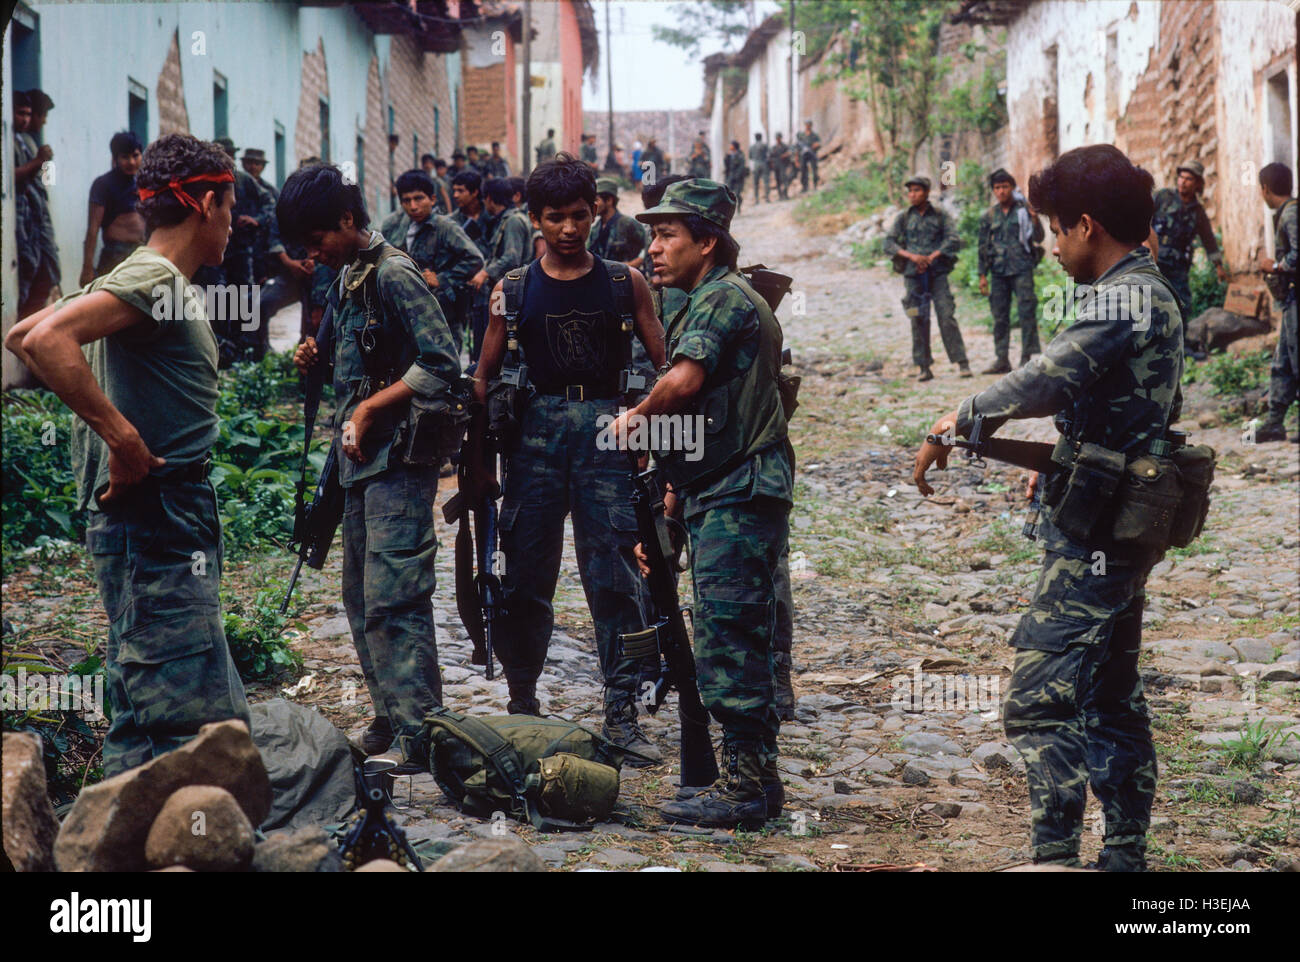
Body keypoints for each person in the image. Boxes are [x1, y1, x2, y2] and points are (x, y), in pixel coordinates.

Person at [913, 144, 1184, 872]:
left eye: (1057, 231)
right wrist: (1061, 455)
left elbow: (1047, 376)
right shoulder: (1142, 287)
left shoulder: (1125, 296)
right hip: (1112, 511)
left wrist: (957, 417)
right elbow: (1110, 401)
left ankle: (1055, 855)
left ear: (1088, 225)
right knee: (1109, 688)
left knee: (1039, 694)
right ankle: (1124, 850)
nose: (1051, 246)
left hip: (1105, 524)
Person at [4, 133, 250, 776]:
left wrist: (110, 419)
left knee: (149, 718)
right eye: (229, 205)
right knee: (194, 730)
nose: (233, 222)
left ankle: (118, 847)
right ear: (203, 202)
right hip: (158, 518)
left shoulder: (134, 276)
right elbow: (45, 340)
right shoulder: (153, 275)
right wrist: (123, 438)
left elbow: (22, 332)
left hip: (159, 521)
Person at [472, 154, 666, 760]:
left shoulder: (622, 282)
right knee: (525, 576)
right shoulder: (512, 289)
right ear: (535, 219)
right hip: (533, 438)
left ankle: (622, 709)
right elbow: (484, 373)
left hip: (608, 432)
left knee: (617, 577)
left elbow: (667, 367)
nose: (568, 229)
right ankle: (522, 699)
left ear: (595, 213)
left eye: (579, 216)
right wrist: (474, 457)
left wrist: (657, 442)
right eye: (555, 218)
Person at [617, 179, 792, 827]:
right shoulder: (700, 301)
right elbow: (704, 419)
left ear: (708, 242)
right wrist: (668, 512)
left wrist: (632, 419)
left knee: (730, 632)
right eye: (651, 236)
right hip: (718, 486)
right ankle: (756, 778)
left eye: (667, 236)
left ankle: (746, 787)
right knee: (730, 626)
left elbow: (685, 383)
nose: (653, 250)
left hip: (741, 491)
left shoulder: (722, 300)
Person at [281, 163, 461, 772]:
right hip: (358, 464)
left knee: (396, 597)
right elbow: (351, 357)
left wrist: (372, 406)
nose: (312, 255)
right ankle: (390, 714)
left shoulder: (394, 274)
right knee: (360, 596)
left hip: (399, 461)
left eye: (317, 242)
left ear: (349, 221)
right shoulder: (346, 279)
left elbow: (443, 363)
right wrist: (313, 354)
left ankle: (421, 732)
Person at [380, 169, 485, 357]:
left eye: (419, 199)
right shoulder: (392, 226)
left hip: (441, 315)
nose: (413, 206)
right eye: (406, 201)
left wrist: (442, 278)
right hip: (403, 315)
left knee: (443, 372)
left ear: (433, 199)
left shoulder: (445, 227)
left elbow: (474, 259)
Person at [882, 174, 970, 381]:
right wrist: (912, 256)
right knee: (917, 318)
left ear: (927, 192)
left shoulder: (940, 215)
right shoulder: (903, 218)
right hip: (913, 277)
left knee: (946, 315)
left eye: (917, 190)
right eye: (910, 191)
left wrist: (932, 257)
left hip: (937, 274)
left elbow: (953, 239)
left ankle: (962, 362)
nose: (912, 195)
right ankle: (924, 366)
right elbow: (888, 243)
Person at [977, 168, 1045, 373]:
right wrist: (982, 275)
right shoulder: (988, 216)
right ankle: (1002, 358)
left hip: (1022, 268)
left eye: (1005, 187)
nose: (1001, 191)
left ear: (1013, 188)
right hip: (998, 271)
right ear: (993, 191)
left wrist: (1034, 219)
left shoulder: (1024, 211)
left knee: (1026, 311)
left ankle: (1026, 357)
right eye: (997, 188)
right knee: (999, 315)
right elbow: (982, 247)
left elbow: (1039, 238)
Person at [1146, 160, 1228, 316]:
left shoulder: (1198, 212)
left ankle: (1180, 339)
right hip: (1154, 261)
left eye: (1188, 179)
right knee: (1150, 306)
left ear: (1197, 184)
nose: (1182, 182)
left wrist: (1218, 266)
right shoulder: (1163, 197)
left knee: (1181, 307)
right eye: (1181, 177)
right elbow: (1142, 219)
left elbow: (1208, 239)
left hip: (1178, 267)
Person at [1256, 162, 1298, 443]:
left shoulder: (1291, 213)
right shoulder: (1287, 212)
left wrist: (1276, 266)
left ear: (1265, 189)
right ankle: (1274, 422)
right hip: (1292, 299)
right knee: (1283, 359)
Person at [15, 89, 61, 318]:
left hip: (38, 218)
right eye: (42, 116)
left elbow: (44, 182)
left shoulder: (29, 142)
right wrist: (38, 161)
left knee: (49, 271)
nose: (43, 121)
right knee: (32, 271)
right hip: (27, 222)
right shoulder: (15, 141)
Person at [81, 131, 145, 286]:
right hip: (116, 256)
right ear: (115, 159)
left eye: (135, 156)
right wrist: (87, 268)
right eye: (125, 157)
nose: (131, 162)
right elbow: (93, 230)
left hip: (142, 254)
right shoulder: (103, 185)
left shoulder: (144, 182)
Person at [589, 177, 646, 268]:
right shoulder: (595, 229)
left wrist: (632, 265)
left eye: (597, 200)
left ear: (609, 201)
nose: (593, 205)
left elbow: (648, 246)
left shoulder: (629, 224)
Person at [796, 119, 820, 192]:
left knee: (814, 170)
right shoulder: (801, 135)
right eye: (806, 124)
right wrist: (797, 159)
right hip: (803, 155)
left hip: (812, 153)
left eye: (809, 124)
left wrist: (816, 145)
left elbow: (818, 143)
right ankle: (804, 187)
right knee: (803, 170)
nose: (808, 126)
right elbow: (798, 147)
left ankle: (815, 185)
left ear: (811, 125)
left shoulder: (814, 135)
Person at [724, 140, 747, 216]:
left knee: (737, 193)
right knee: (728, 194)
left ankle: (739, 207)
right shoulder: (729, 155)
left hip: (738, 178)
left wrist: (737, 176)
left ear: (734, 146)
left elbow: (741, 167)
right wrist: (726, 157)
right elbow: (727, 166)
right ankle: (730, 210)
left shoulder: (740, 155)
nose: (730, 146)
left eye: (731, 145)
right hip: (730, 178)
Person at [749, 133, 769, 205]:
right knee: (766, 182)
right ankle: (767, 198)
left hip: (756, 164)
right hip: (763, 163)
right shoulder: (764, 145)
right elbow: (768, 154)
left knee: (756, 183)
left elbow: (750, 157)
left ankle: (757, 199)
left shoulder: (752, 147)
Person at [770, 133, 792, 201]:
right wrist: (772, 164)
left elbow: (789, 153)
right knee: (778, 181)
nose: (778, 139)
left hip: (783, 165)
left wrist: (785, 155)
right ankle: (780, 196)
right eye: (777, 138)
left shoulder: (784, 146)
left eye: (779, 138)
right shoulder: (774, 147)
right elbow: (770, 156)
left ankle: (785, 194)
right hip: (776, 166)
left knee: (785, 180)